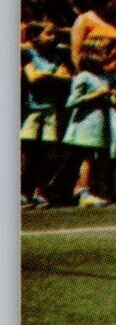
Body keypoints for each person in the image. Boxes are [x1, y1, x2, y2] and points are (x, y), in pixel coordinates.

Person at [62, 35, 116, 206]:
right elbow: (72, 102)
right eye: (105, 52)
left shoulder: (106, 77)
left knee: (102, 158)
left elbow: (109, 101)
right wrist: (98, 94)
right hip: (86, 123)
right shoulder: (84, 77)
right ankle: (83, 191)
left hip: (102, 123)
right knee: (88, 158)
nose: (109, 56)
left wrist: (114, 97)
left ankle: (97, 189)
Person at [21, 21, 72, 206]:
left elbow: (66, 78)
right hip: (33, 111)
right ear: (35, 37)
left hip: (51, 110)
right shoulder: (28, 55)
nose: (54, 37)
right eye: (48, 34)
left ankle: (40, 191)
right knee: (27, 151)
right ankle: (22, 190)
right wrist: (51, 77)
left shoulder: (57, 58)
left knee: (48, 153)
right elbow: (33, 78)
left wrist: (46, 76)